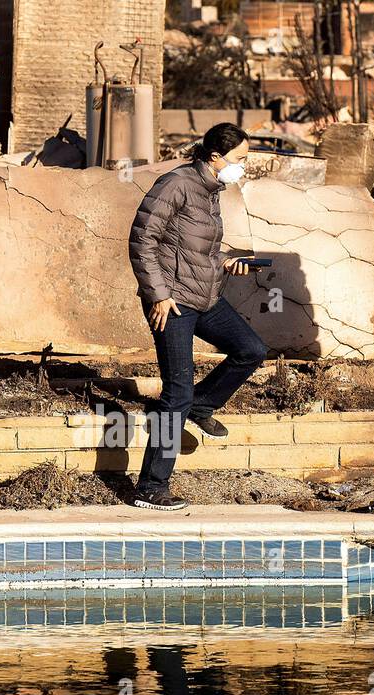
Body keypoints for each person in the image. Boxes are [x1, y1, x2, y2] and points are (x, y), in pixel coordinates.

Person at [127, 122, 269, 511]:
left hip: (204, 297)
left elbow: (197, 251)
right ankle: (151, 488)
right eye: (239, 159)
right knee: (176, 393)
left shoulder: (210, 191)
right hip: (171, 303)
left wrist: (229, 262)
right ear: (215, 157)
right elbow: (142, 239)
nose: (243, 166)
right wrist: (157, 294)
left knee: (251, 349)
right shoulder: (176, 185)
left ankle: (202, 404)